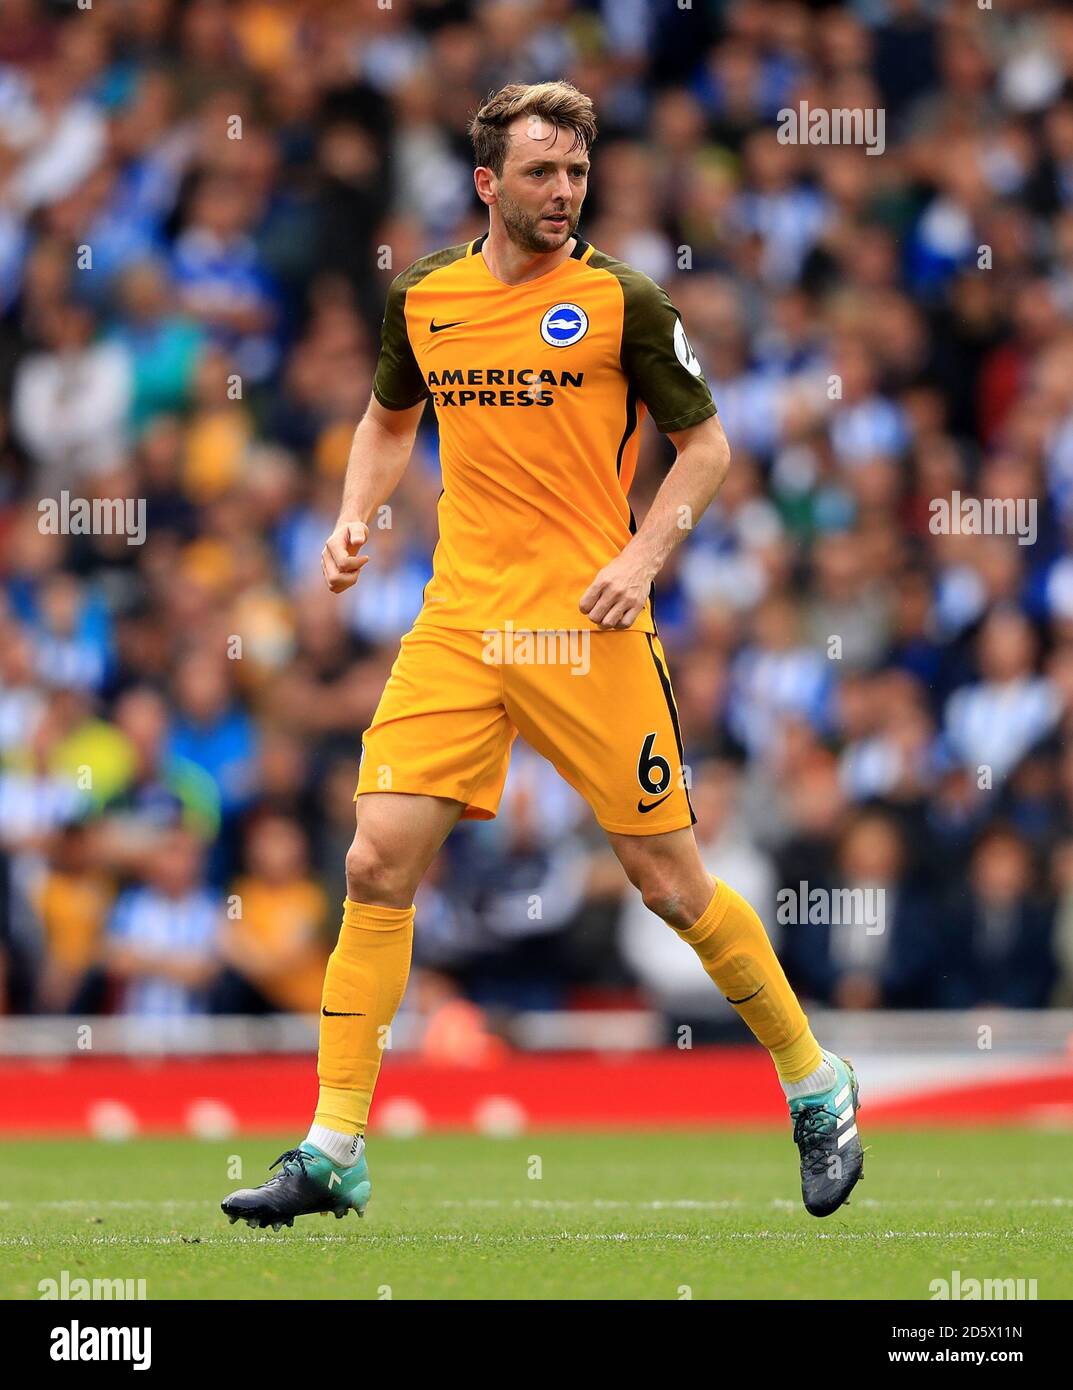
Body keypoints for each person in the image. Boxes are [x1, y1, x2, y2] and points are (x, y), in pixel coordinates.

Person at [222, 81, 863, 1230]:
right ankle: (333, 1147)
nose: (562, 192)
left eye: (574, 172)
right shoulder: (425, 296)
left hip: (588, 623)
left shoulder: (619, 300)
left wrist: (645, 558)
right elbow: (384, 418)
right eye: (539, 173)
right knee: (375, 863)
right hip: (462, 622)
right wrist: (354, 513)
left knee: (668, 882)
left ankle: (814, 1081)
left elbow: (706, 448)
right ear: (487, 183)